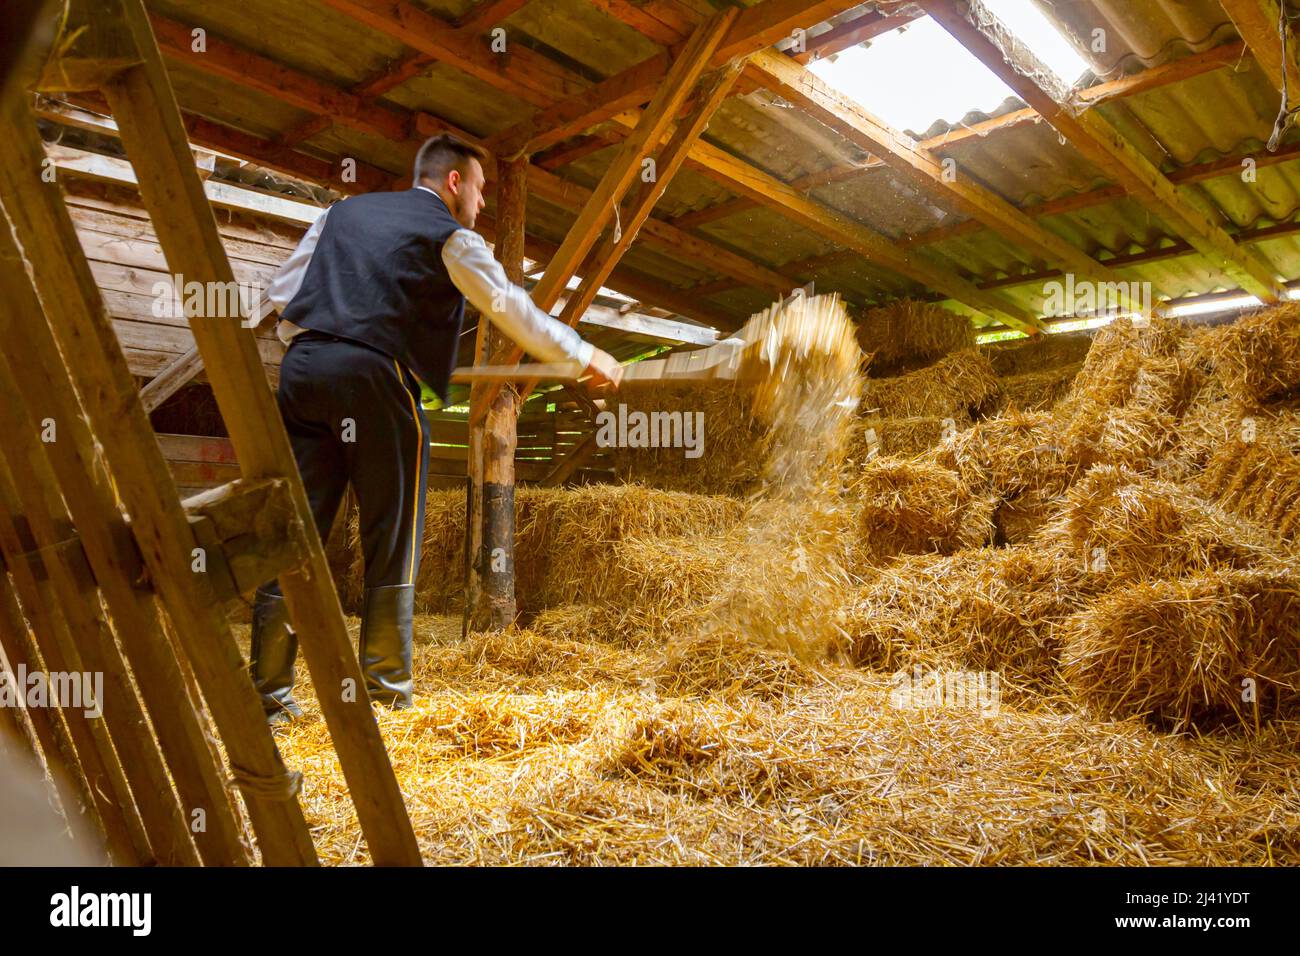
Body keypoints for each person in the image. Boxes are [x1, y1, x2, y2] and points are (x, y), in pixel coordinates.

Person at [252, 132, 622, 722]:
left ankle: (268, 699)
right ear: (454, 182)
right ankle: (386, 695)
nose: (480, 203)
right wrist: (583, 356)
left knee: (294, 531)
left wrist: (318, 343)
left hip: (303, 371)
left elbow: (281, 294)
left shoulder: (339, 214)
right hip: (373, 379)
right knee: (392, 533)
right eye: (479, 189)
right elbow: (506, 304)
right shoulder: (451, 234)